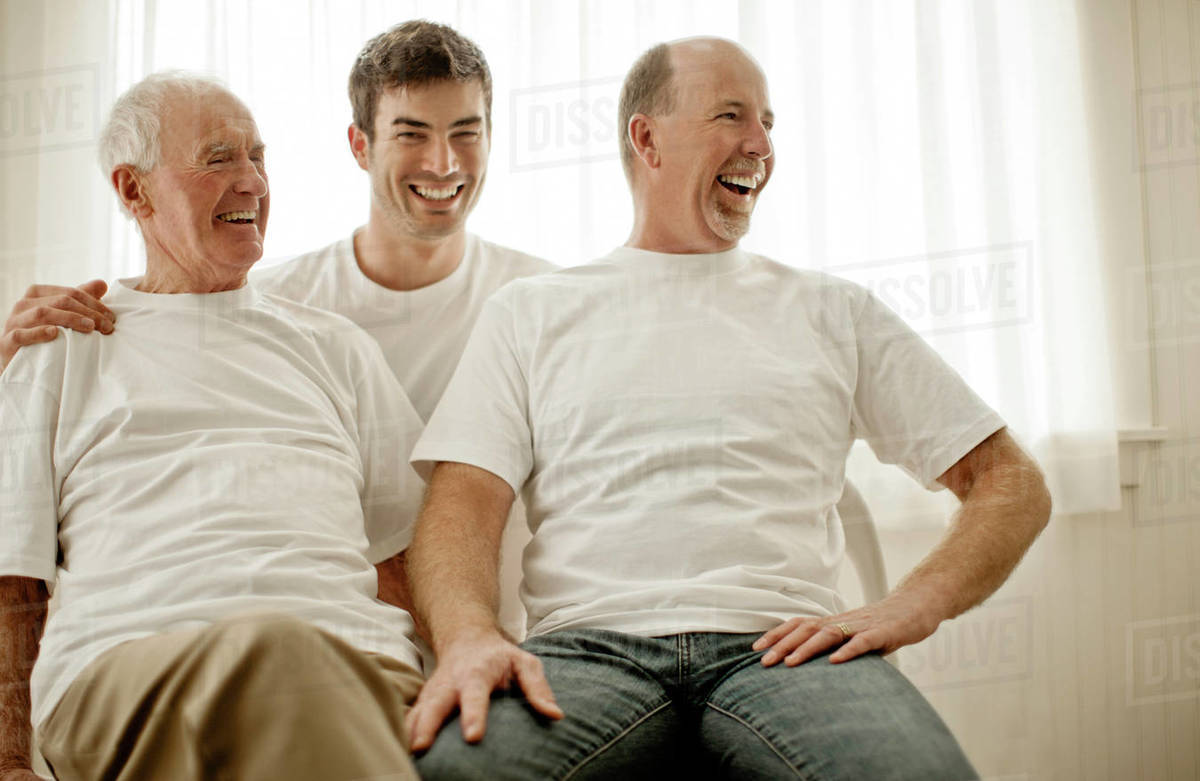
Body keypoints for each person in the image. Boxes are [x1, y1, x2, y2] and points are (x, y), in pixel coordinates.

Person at [402, 37, 1053, 779]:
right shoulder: (531, 311)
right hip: (586, 651)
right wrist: (467, 637)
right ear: (647, 137)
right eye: (731, 116)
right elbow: (460, 505)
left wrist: (910, 604)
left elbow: (1012, 482)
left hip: (783, 650)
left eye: (768, 121)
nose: (761, 144)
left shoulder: (832, 309)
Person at [0, 20, 555, 640]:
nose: (443, 161)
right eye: (412, 133)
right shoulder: (268, 304)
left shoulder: (541, 306)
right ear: (360, 145)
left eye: (466, 132)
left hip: (465, 642)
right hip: (294, 645)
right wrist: (17, 375)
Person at [0, 73, 427, 780]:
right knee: (282, 655)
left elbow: (406, 556)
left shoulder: (336, 347)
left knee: (299, 667)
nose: (253, 182)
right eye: (219, 158)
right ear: (134, 191)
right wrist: (10, 761)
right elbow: (13, 581)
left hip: (362, 672)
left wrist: (469, 663)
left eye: (259, 158)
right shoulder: (62, 346)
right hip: (130, 679)